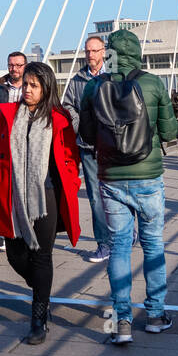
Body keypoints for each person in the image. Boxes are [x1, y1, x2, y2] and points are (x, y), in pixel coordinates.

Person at [83, 28, 177, 344]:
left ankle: (122, 321)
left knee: (120, 247)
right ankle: (154, 315)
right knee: (152, 245)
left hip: (111, 179)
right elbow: (169, 131)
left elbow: (85, 132)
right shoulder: (152, 83)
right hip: (148, 177)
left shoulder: (95, 86)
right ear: (137, 52)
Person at [0, 62, 81, 344]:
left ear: (46, 88)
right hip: (13, 194)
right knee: (15, 254)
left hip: (47, 195)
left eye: (33, 85)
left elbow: (71, 156)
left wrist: (73, 180)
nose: (26, 89)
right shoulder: (9, 114)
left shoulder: (58, 118)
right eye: (25, 84)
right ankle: (42, 287)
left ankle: (38, 318)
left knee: (42, 256)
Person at [62, 35, 112, 262]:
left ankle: (125, 230)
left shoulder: (114, 77)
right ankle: (103, 243)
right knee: (95, 196)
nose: (90, 55)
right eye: (87, 51)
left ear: (104, 52)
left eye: (94, 51)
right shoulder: (77, 80)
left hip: (114, 146)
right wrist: (79, 123)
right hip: (88, 145)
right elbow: (68, 106)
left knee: (118, 193)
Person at [0, 51, 27, 251]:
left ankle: (24, 231)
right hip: (3, 149)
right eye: (11, 65)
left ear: (25, 66)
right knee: (2, 191)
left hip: (26, 149)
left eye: (18, 65)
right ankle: (2, 235)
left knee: (24, 192)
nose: (14, 69)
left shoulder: (33, 86)